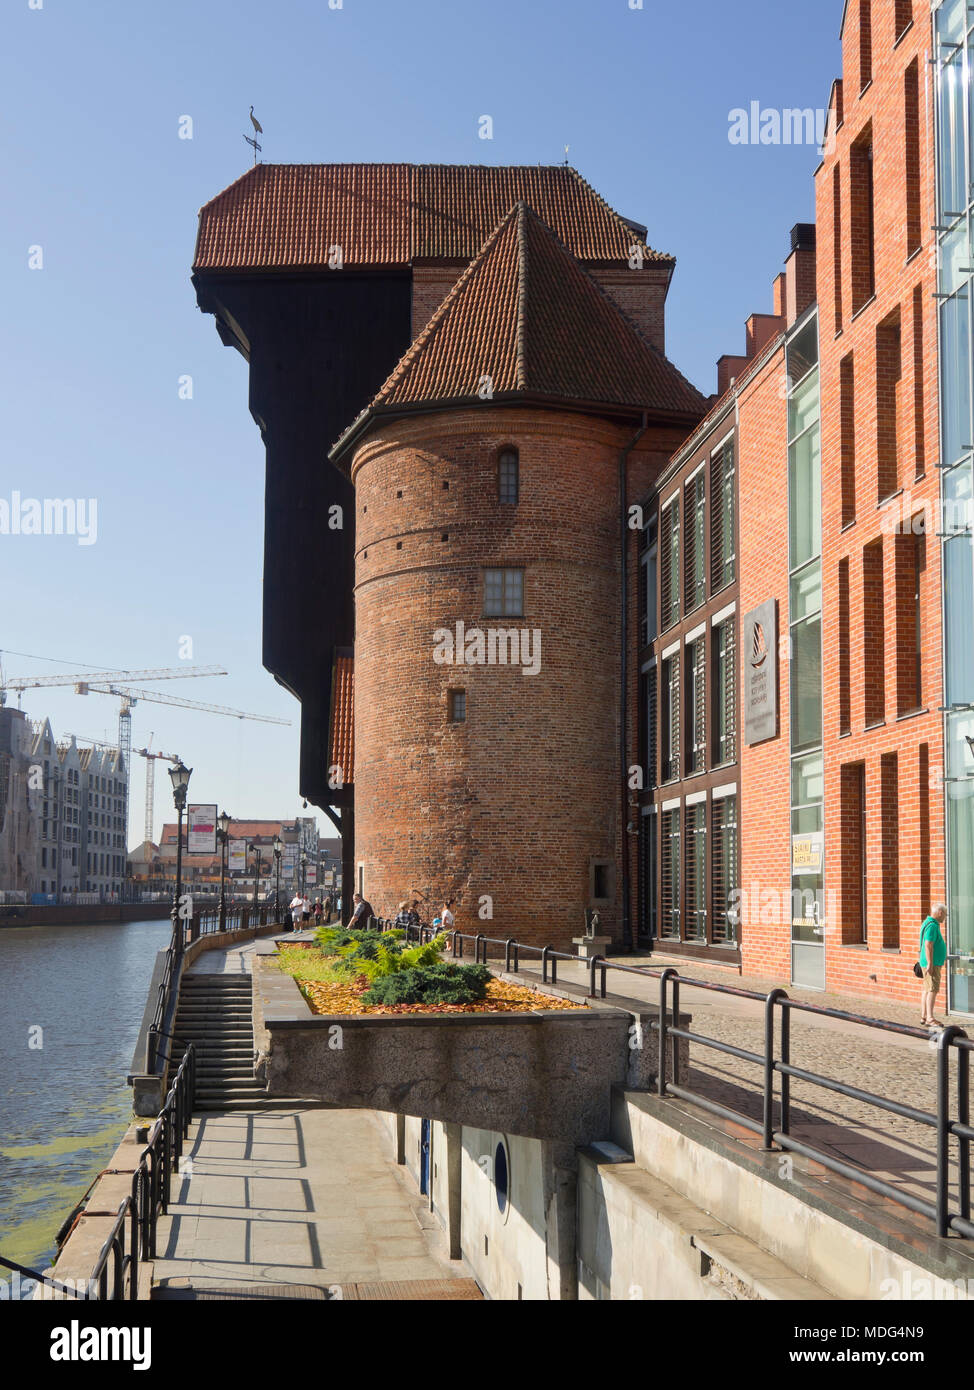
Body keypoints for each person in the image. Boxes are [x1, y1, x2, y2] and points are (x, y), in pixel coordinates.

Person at [919, 903, 949, 1028]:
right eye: (945, 914)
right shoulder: (932, 926)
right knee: (932, 990)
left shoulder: (928, 923)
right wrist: (930, 963)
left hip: (928, 963)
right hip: (932, 964)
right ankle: (930, 1019)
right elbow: (928, 944)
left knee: (926, 989)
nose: (945, 917)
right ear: (940, 913)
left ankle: (924, 1016)